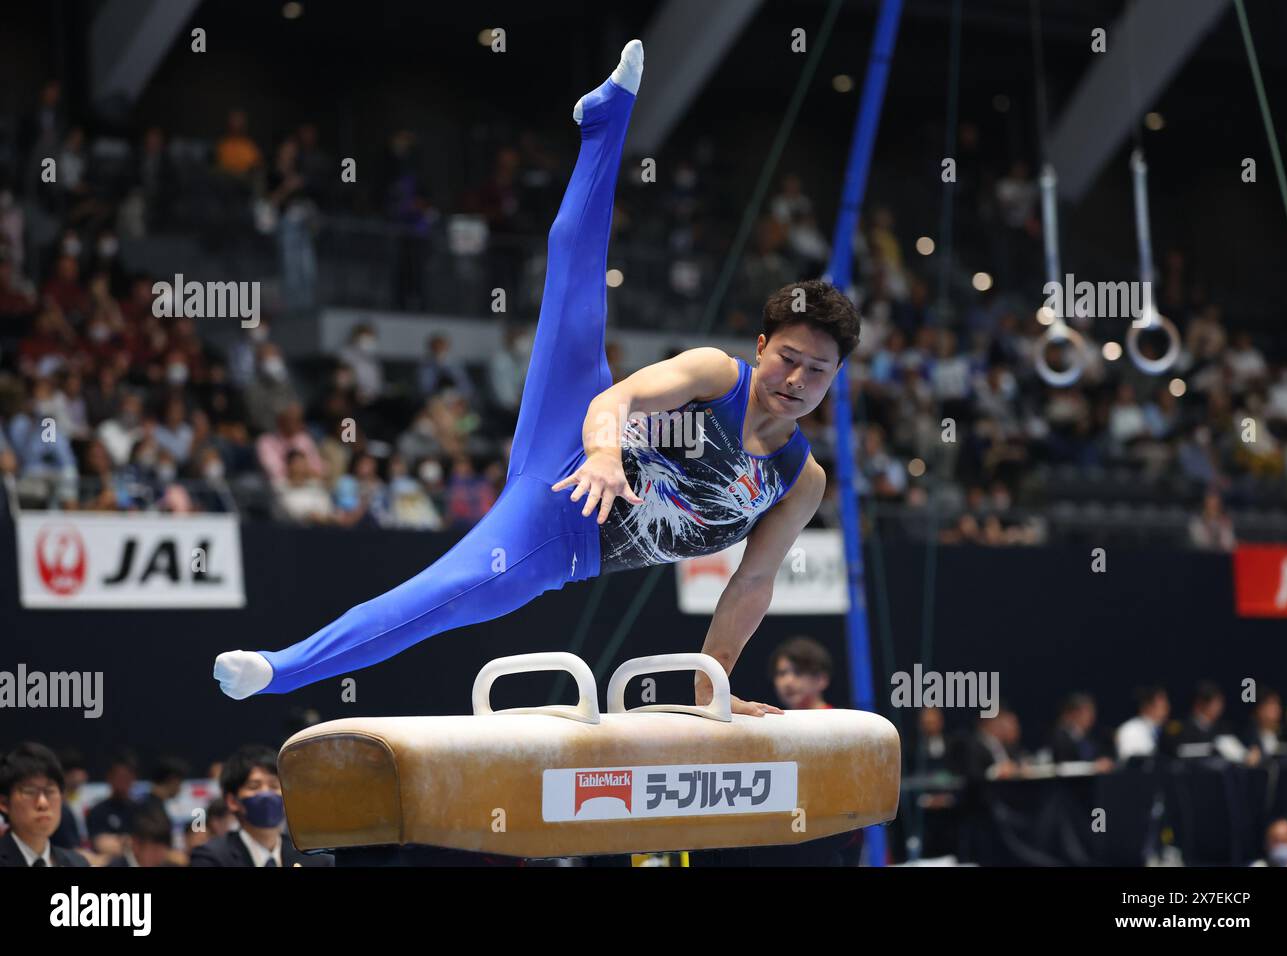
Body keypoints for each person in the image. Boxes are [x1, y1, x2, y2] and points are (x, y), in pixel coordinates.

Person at [214, 41, 852, 720]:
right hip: (569, 469)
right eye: (787, 356)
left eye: (817, 370)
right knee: (577, 284)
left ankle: (283, 667)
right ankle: (607, 121)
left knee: (447, 597)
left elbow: (751, 582)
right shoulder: (717, 375)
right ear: (761, 347)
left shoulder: (798, 480)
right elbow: (620, 397)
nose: (796, 378)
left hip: (561, 541)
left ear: (835, 379)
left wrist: (710, 688)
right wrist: (606, 455)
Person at [188, 745, 332, 867]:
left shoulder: (313, 858)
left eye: (274, 785)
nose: (266, 793)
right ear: (232, 801)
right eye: (254, 786)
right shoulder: (211, 858)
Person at [0, 743, 90, 867]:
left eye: (50, 791)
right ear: (4, 803)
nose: (43, 803)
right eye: (29, 792)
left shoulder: (78, 863)